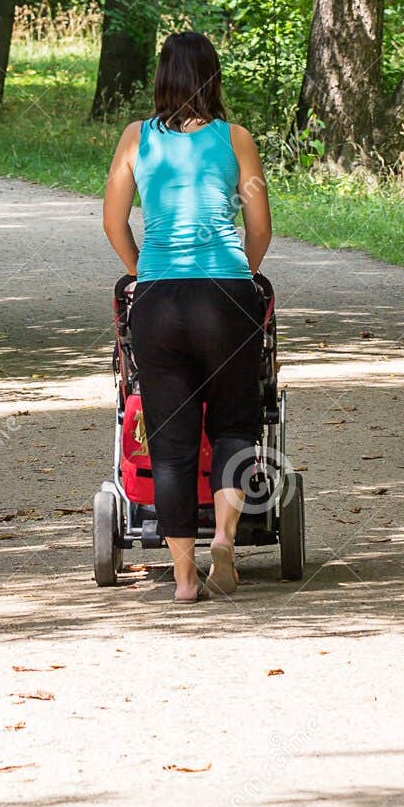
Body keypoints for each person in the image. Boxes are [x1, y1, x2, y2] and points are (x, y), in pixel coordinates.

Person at [102, 30, 273, 602]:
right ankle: (223, 539)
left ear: (161, 79)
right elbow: (260, 230)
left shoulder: (135, 139)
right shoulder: (238, 140)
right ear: (213, 77)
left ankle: (182, 579)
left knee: (172, 443)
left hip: (159, 299)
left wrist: (144, 271)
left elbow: (114, 221)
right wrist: (237, 280)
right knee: (234, 424)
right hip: (225, 295)